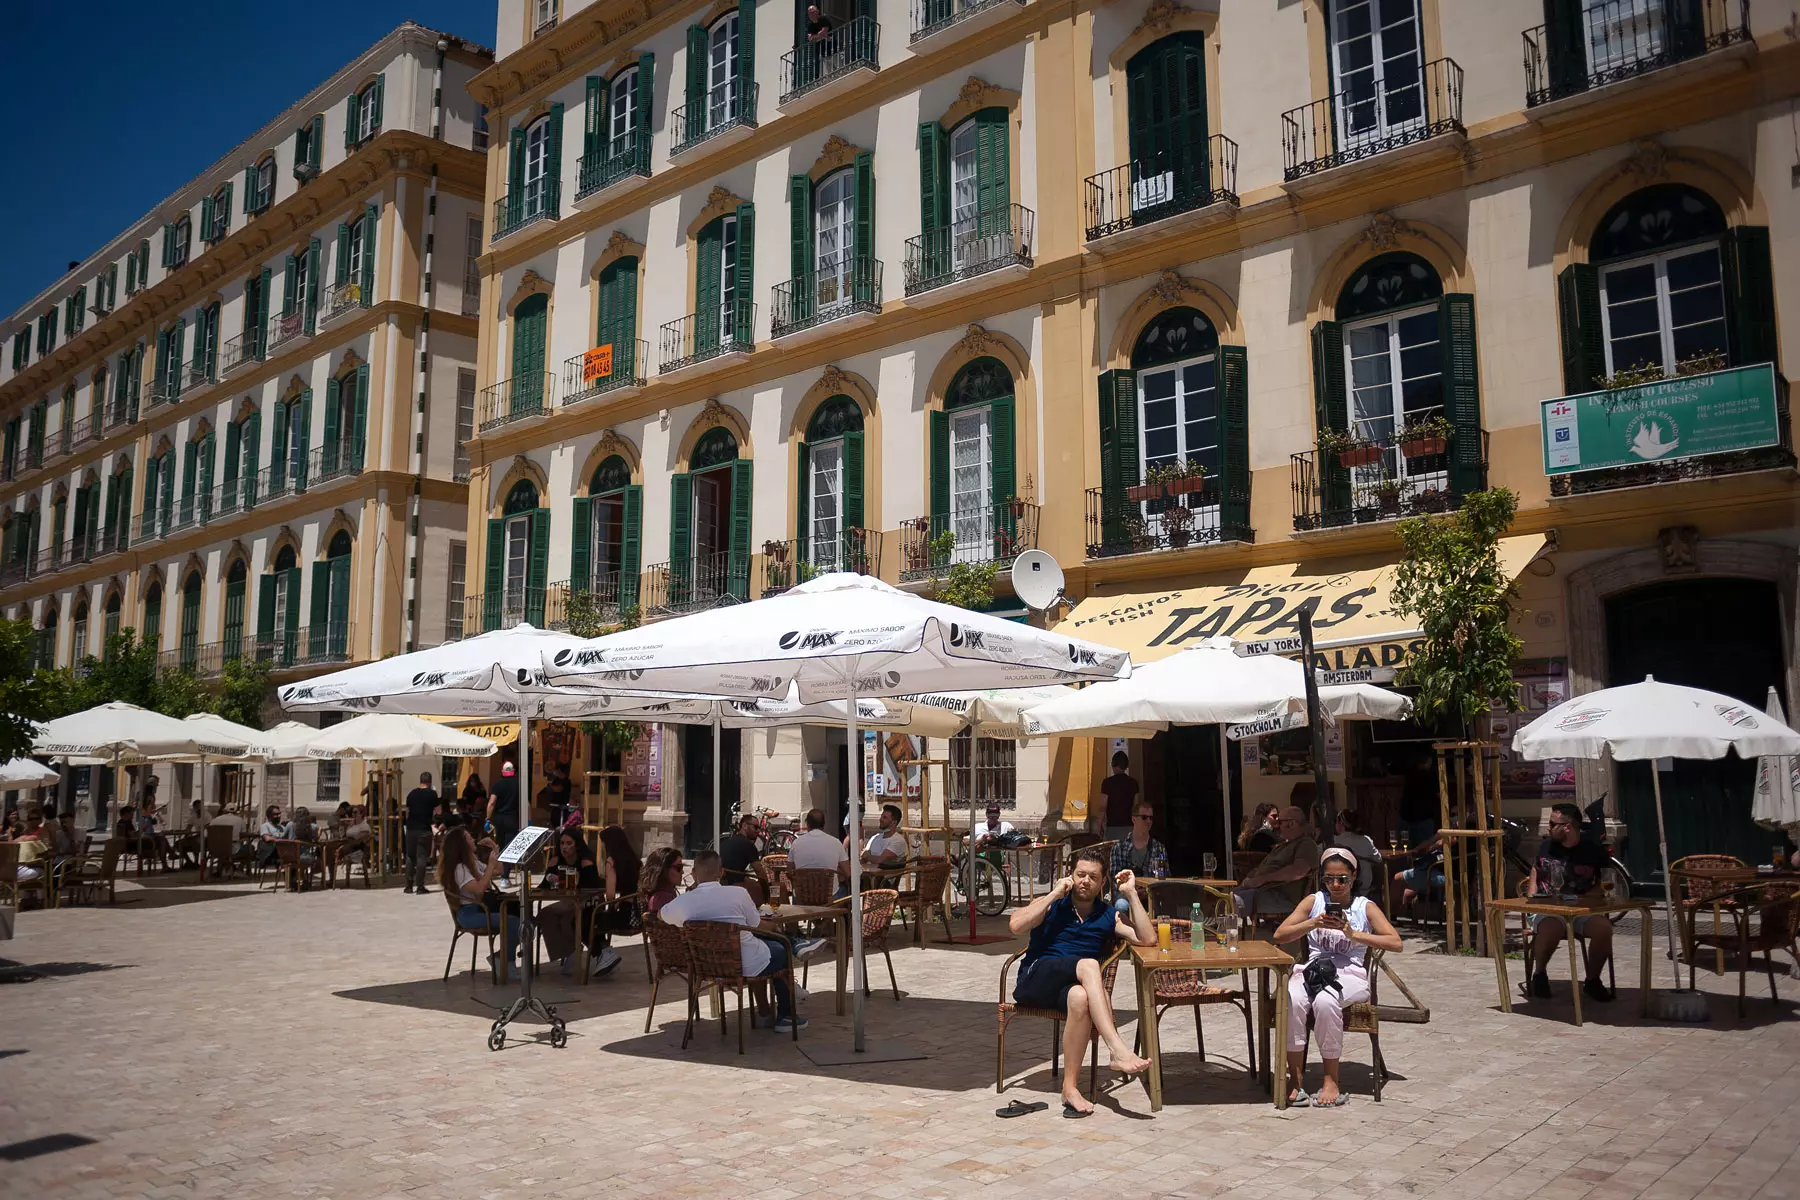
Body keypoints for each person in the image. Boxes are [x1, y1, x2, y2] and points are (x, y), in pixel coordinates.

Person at [1007, 847, 1155, 1114]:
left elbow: (1147, 939)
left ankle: (1070, 1089)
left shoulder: (1107, 915)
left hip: (1065, 990)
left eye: (1093, 877)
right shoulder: (1052, 905)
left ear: (1103, 882)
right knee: (1088, 965)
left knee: (1080, 998)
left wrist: (1131, 894)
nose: (1085, 881)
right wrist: (1053, 894)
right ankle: (1117, 1049)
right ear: (1070, 876)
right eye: (1080, 874)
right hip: (1035, 980)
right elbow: (1016, 926)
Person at [1273, 847, 1404, 1107]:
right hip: (1313, 969)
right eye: (1329, 879)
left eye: (1342, 879)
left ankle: (1331, 1078)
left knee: (1325, 1000)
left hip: (1349, 973)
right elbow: (1280, 935)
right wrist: (1312, 923)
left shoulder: (1364, 907)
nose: (1335, 885)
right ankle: (1295, 1079)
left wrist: (1353, 934)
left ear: (1353, 877)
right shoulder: (1314, 902)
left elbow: (1396, 943)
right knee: (1292, 997)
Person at [659, 850, 806, 1033]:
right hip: (745, 963)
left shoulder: (684, 901)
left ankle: (764, 1011)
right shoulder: (738, 894)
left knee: (760, 944)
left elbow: (661, 915)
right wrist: (776, 929)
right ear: (721, 872)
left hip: (705, 966)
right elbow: (756, 925)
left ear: (694, 873)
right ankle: (786, 1014)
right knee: (779, 949)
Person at [1526, 802, 1615, 1003]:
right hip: (1548, 907)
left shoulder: (1591, 848)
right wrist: (1531, 896)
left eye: (1552, 823)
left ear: (1567, 826)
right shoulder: (1547, 845)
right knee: (1553, 926)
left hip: (1581, 908)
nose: (1548, 828)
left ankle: (1592, 981)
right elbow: (1535, 868)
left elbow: (1604, 880)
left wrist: (1592, 896)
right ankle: (1539, 974)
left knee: (1604, 929)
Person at [438, 825, 520, 973]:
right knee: (512, 922)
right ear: (461, 845)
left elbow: (499, 870)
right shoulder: (459, 869)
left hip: (482, 908)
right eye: (469, 838)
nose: (473, 839)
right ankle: (506, 963)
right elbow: (480, 889)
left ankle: (501, 957)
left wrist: (494, 848)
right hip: (469, 913)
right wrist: (489, 865)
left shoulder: (472, 863)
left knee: (524, 919)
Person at [539, 829, 605, 975]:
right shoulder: (556, 861)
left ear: (577, 845)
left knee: (558, 915)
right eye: (562, 843)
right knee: (545, 916)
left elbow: (590, 889)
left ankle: (572, 953)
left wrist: (575, 881)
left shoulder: (585, 862)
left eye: (569, 843)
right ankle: (569, 952)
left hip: (588, 902)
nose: (564, 847)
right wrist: (551, 878)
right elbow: (544, 886)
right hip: (568, 901)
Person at [1234, 806, 1320, 919]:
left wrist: (1263, 879)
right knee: (1221, 896)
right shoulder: (1284, 845)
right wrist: (1250, 878)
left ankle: (1216, 929)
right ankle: (1211, 926)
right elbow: (1265, 866)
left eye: (1279, 822)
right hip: (1263, 891)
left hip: (1282, 897)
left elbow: (1298, 871)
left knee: (1231, 901)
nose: (1276, 825)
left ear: (1291, 824)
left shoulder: (1306, 844)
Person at [590, 824, 642, 975]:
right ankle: (605, 953)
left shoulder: (611, 863)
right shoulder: (634, 860)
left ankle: (604, 952)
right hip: (637, 914)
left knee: (588, 920)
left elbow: (610, 896)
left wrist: (611, 909)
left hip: (626, 917)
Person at [403, 771, 441, 895]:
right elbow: (439, 811)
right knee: (422, 857)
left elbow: (407, 812)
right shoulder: (432, 794)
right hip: (424, 829)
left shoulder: (411, 794)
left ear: (420, 781)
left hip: (411, 829)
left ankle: (408, 886)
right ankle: (420, 886)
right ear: (429, 782)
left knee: (410, 856)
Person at [1111, 801, 1168, 880]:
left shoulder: (1159, 848)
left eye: (1151, 818)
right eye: (1144, 817)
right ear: (1134, 819)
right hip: (1127, 891)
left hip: (1150, 891)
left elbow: (1164, 880)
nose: (1148, 821)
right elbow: (1114, 881)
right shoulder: (1119, 848)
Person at [789, 808, 850, 882]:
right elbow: (848, 872)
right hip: (829, 892)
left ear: (807, 824)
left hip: (803, 891)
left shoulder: (796, 843)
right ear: (823, 824)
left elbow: (789, 870)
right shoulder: (836, 843)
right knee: (844, 887)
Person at [1328, 810, 1381, 895]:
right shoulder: (1366, 840)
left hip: (1339, 884)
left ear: (1341, 823)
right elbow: (1378, 858)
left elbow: (1317, 853)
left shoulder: (1333, 841)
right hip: (1364, 885)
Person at [719, 813, 765, 899]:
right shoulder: (747, 844)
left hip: (722, 882)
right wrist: (768, 890)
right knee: (780, 888)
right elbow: (760, 872)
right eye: (755, 827)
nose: (758, 831)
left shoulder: (727, 841)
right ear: (744, 826)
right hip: (736, 885)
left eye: (759, 828)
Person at [1097, 751, 1138, 844]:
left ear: (1113, 765)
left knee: (1114, 854)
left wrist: (1099, 824)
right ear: (1126, 766)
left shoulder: (1107, 783)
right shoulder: (1133, 783)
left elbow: (1102, 807)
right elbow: (1135, 807)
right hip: (1129, 826)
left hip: (1113, 827)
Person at [487, 761, 520, 854]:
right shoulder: (518, 785)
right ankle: (509, 866)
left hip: (500, 818)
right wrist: (528, 820)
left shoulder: (498, 784)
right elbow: (526, 803)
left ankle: (500, 864)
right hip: (512, 818)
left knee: (499, 843)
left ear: (502, 771)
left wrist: (488, 818)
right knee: (511, 844)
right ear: (513, 771)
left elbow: (492, 803)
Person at [641, 846, 685, 915]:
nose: (682, 872)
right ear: (663, 870)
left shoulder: (668, 893)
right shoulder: (661, 898)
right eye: (679, 867)